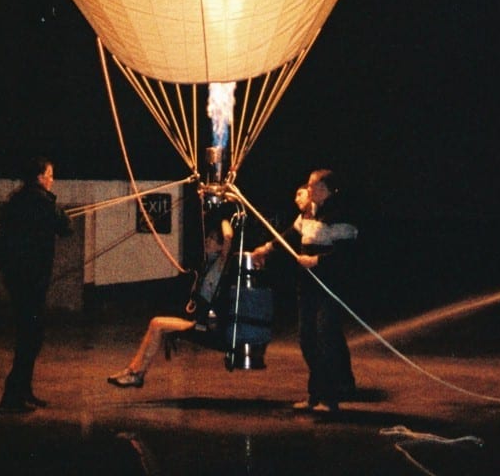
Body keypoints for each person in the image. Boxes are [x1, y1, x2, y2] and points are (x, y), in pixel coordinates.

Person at [252, 169, 360, 413]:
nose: (308, 190)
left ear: (326, 190)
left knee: (325, 339)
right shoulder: (308, 214)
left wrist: (317, 261)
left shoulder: (339, 216)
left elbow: (346, 255)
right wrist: (266, 249)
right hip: (308, 285)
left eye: (313, 186)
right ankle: (315, 395)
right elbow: (290, 236)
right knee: (307, 339)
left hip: (328, 287)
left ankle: (329, 399)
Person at [107, 214, 235, 387]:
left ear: (220, 247)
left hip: (205, 328)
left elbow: (228, 237)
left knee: (157, 324)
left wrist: (225, 217)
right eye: (208, 237)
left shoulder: (220, 264)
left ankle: (136, 373)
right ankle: (134, 371)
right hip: (196, 322)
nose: (207, 240)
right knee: (156, 323)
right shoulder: (208, 265)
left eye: (211, 239)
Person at [0, 156, 72, 412]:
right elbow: (65, 227)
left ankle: (23, 391)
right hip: (32, 280)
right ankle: (13, 396)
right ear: (40, 177)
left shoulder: (16, 200)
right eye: (50, 174)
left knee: (29, 335)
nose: (52, 179)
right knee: (31, 337)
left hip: (18, 278)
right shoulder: (42, 201)